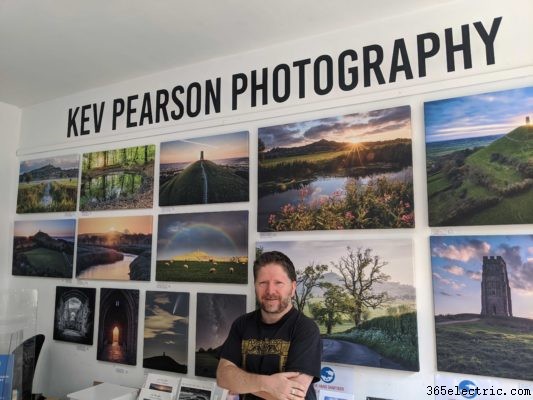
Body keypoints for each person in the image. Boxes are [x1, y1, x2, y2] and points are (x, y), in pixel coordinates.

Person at [217, 251, 322, 400]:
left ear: (293, 288)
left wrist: (241, 382)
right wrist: (268, 384)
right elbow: (223, 377)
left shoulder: (306, 329)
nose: (270, 291)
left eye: (278, 283)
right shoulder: (241, 324)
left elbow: (292, 396)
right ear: (255, 286)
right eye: (263, 283)